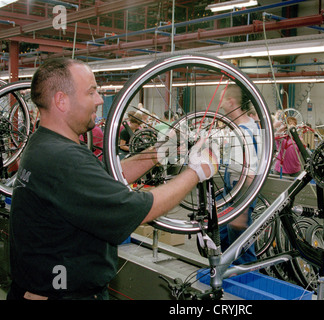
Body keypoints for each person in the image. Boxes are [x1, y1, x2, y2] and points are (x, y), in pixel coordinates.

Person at [7, 57, 217, 300]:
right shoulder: (63, 159)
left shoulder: (43, 142)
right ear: (61, 100)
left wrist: (159, 152)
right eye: (91, 92)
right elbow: (136, 209)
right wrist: (196, 172)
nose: (99, 100)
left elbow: (102, 179)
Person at [219, 84, 260, 264]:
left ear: (231, 102)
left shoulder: (242, 133)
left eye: (222, 101)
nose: (219, 106)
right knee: (224, 237)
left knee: (241, 250)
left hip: (242, 191)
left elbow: (249, 173)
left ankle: (249, 281)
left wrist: (241, 210)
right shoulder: (250, 125)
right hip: (236, 189)